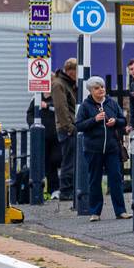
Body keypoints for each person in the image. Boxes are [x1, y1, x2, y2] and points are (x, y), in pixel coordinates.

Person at [74, 76, 128, 221]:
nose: (101, 90)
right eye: (97, 88)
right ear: (90, 91)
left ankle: (121, 211)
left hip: (111, 148)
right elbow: (79, 125)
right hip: (93, 149)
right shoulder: (85, 106)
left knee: (116, 179)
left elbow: (124, 120)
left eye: (102, 87)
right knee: (94, 180)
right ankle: (95, 212)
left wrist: (115, 121)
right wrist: (94, 120)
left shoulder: (111, 103)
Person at [49, 57, 78, 201]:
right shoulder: (59, 85)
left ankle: (70, 189)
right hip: (67, 128)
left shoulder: (68, 84)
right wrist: (69, 127)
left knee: (71, 160)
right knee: (69, 161)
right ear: (71, 71)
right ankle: (66, 191)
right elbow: (61, 108)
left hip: (69, 126)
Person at [25, 91, 60, 198]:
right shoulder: (36, 98)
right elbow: (29, 114)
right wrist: (34, 126)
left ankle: (54, 189)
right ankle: (39, 190)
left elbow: (61, 109)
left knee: (54, 161)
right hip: (41, 137)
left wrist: (48, 106)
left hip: (55, 136)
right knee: (42, 163)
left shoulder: (56, 97)